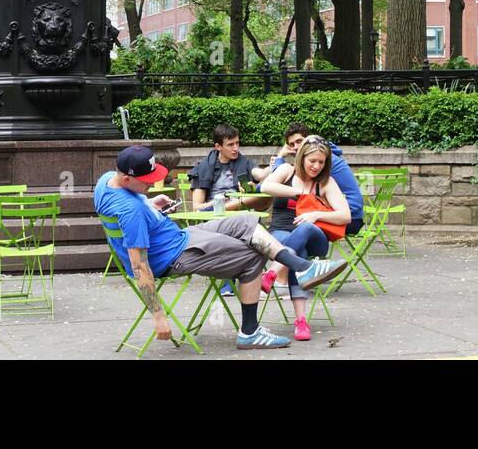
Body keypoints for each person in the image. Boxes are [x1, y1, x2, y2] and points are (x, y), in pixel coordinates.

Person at [94, 145, 347, 350]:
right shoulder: (132, 212)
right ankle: (250, 332)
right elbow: (139, 265)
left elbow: (132, 200)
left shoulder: (106, 182)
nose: (152, 184)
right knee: (252, 254)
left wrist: (149, 203)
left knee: (245, 221)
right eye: (147, 181)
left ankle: (302, 268)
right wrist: (158, 315)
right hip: (173, 256)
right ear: (126, 178)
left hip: (179, 236)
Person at [259, 136, 352, 341]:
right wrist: (300, 192)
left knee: (305, 229)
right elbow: (265, 187)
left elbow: (345, 215)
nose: (317, 166)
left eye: (321, 162)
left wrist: (315, 214)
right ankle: (301, 321)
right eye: (313, 161)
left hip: (315, 237)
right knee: (297, 254)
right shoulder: (286, 171)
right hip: (281, 233)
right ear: (301, 158)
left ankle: (273, 272)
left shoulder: (326, 182)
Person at [188, 124, 270, 210]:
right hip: (216, 214)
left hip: (241, 212)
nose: (236, 148)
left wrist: (273, 166)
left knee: (267, 195)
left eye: (237, 143)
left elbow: (260, 174)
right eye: (230, 145)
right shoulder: (203, 167)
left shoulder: (244, 162)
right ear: (218, 146)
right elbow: (197, 207)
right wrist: (220, 200)